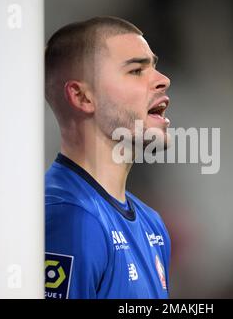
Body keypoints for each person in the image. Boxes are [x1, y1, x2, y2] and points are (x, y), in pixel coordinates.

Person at [44, 16, 172, 299]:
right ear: (82, 97)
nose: (163, 80)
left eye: (154, 66)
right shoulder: (70, 218)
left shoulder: (153, 225)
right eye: (137, 70)